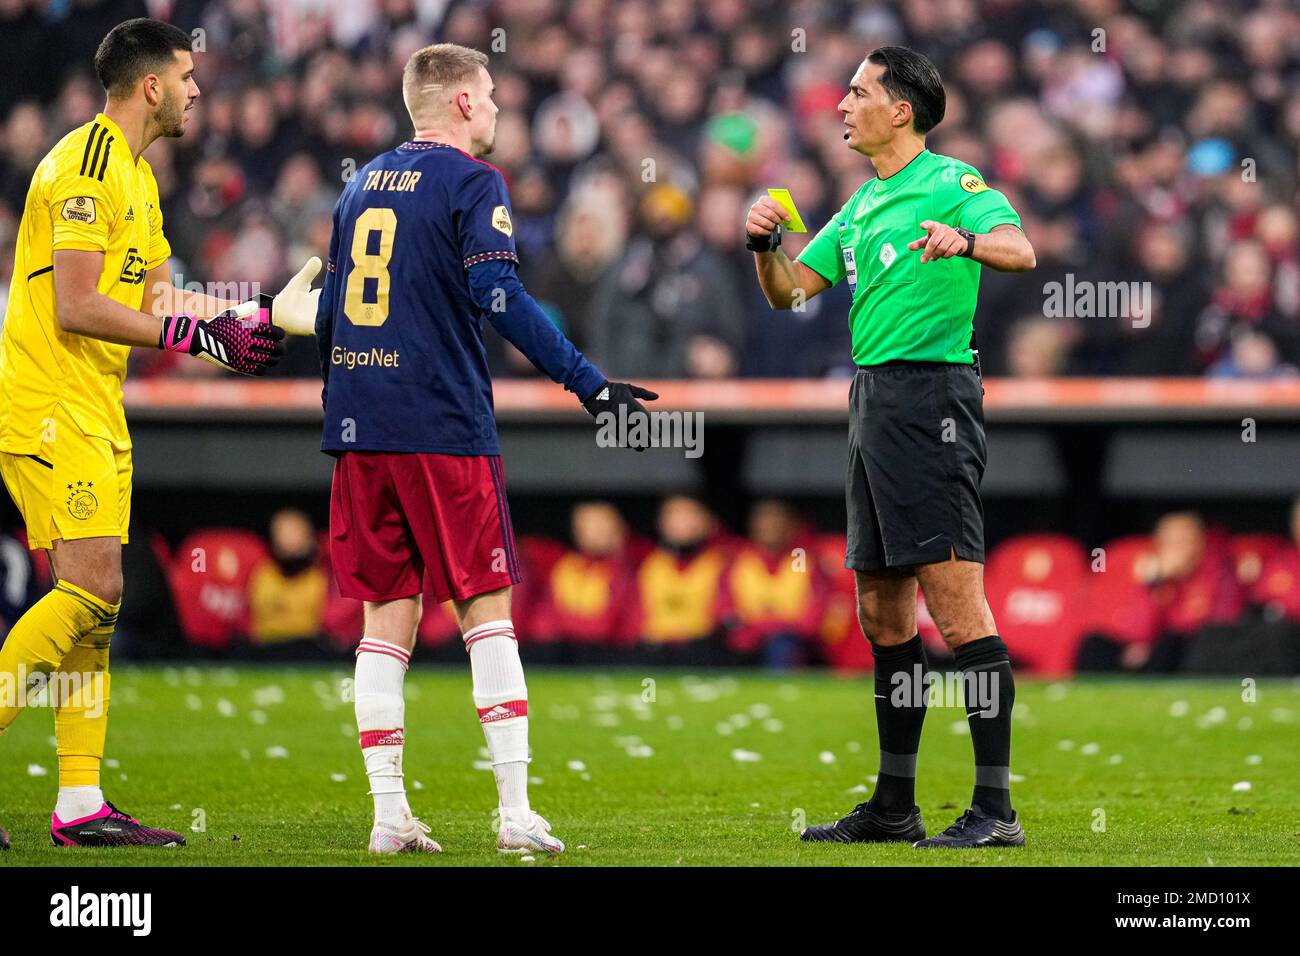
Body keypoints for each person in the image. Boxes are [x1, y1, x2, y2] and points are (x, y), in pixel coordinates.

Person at [314, 43, 656, 855]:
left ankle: (389, 815)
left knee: (383, 620)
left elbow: (329, 315)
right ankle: (514, 812)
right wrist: (588, 383)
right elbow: (499, 296)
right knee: (485, 612)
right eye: (492, 93)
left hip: (361, 428)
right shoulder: (474, 182)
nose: (499, 106)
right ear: (464, 102)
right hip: (442, 426)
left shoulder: (360, 185)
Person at [0, 18, 313, 849]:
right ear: (151, 86)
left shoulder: (138, 178)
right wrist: (195, 335)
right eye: (186, 75)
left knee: (96, 608)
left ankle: (79, 804)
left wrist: (259, 316)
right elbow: (77, 306)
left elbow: (160, 302)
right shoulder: (84, 166)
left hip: (94, 405)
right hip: (50, 403)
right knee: (92, 589)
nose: (197, 90)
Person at [745, 47, 1036, 849]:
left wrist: (964, 242)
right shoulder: (860, 204)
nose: (841, 104)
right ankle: (894, 805)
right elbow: (792, 294)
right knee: (881, 610)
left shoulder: (952, 183)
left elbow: (1021, 250)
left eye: (857, 91)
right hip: (873, 400)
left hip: (933, 400)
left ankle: (995, 810)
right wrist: (765, 246)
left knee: (957, 606)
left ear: (900, 110)